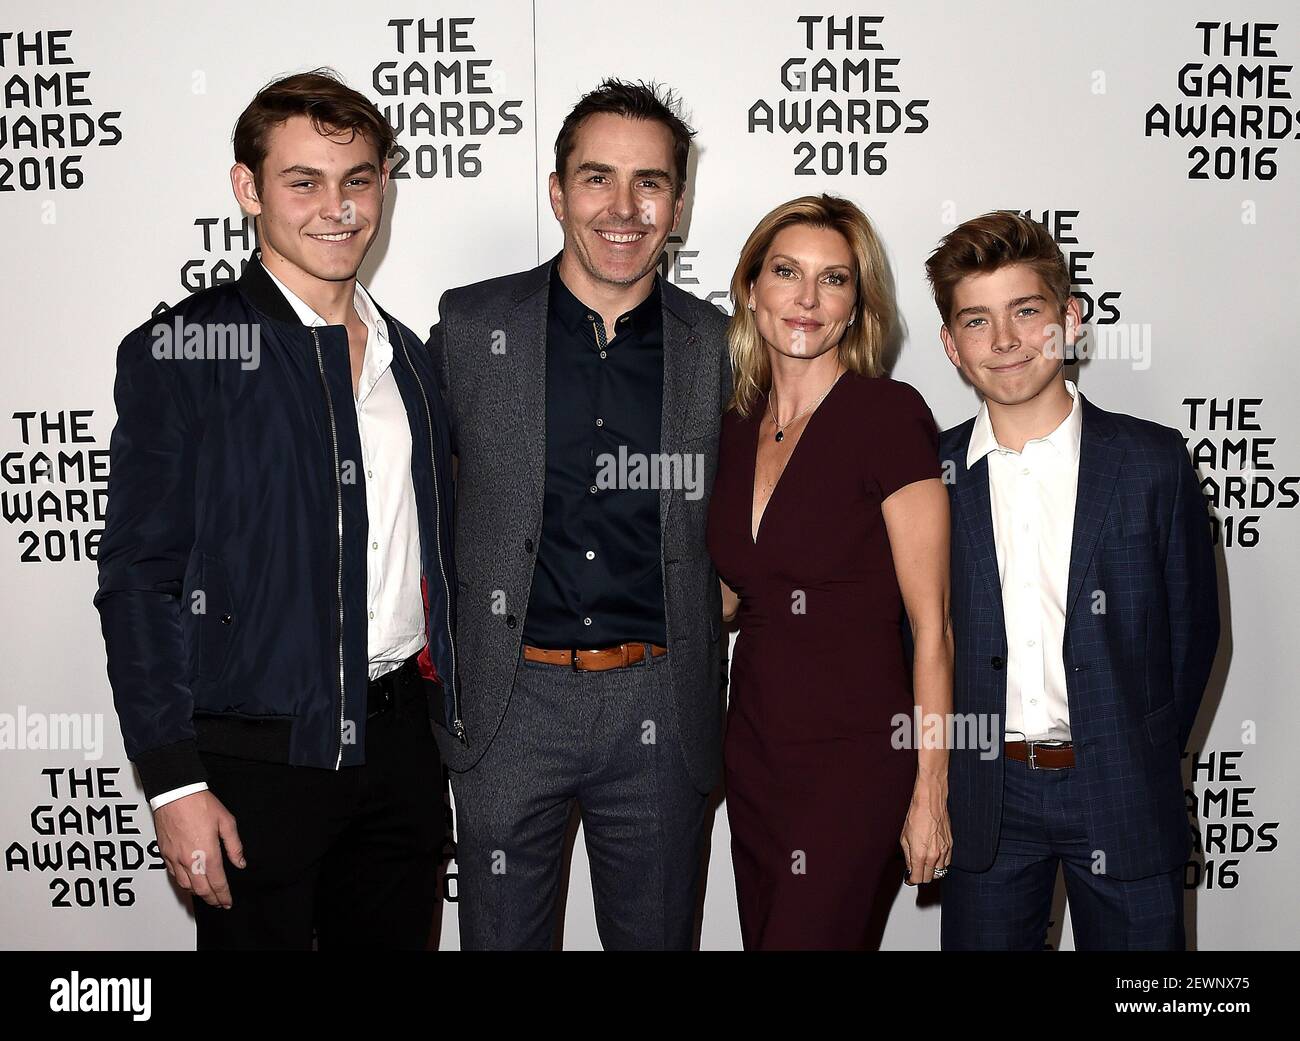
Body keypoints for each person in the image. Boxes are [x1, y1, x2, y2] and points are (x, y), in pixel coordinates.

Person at [94, 69, 456, 950]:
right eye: (304, 181)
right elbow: (138, 581)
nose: (337, 208)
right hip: (258, 766)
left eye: (358, 179)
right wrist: (175, 784)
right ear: (248, 188)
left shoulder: (413, 358)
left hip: (404, 751)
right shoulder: (185, 350)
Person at [428, 79, 732, 950]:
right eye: (597, 179)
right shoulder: (472, 324)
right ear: (558, 192)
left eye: (651, 183)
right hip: (507, 702)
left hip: (661, 705)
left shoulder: (717, 346)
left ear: (678, 203)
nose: (624, 207)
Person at [927, 210, 1220, 950]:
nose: (1004, 341)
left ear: (1070, 318)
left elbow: (1192, 634)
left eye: (1025, 311)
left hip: (1121, 783)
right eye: (977, 321)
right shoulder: (929, 475)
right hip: (986, 797)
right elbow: (916, 637)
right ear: (952, 347)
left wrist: (1135, 746)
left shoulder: (1152, 462)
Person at [705, 194, 953, 950]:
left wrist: (931, 792)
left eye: (834, 279)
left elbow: (933, 626)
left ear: (857, 305)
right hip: (753, 753)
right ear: (751, 289)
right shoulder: (735, 424)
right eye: (786, 272)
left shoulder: (889, 416)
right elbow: (726, 598)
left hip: (856, 761)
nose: (807, 299)